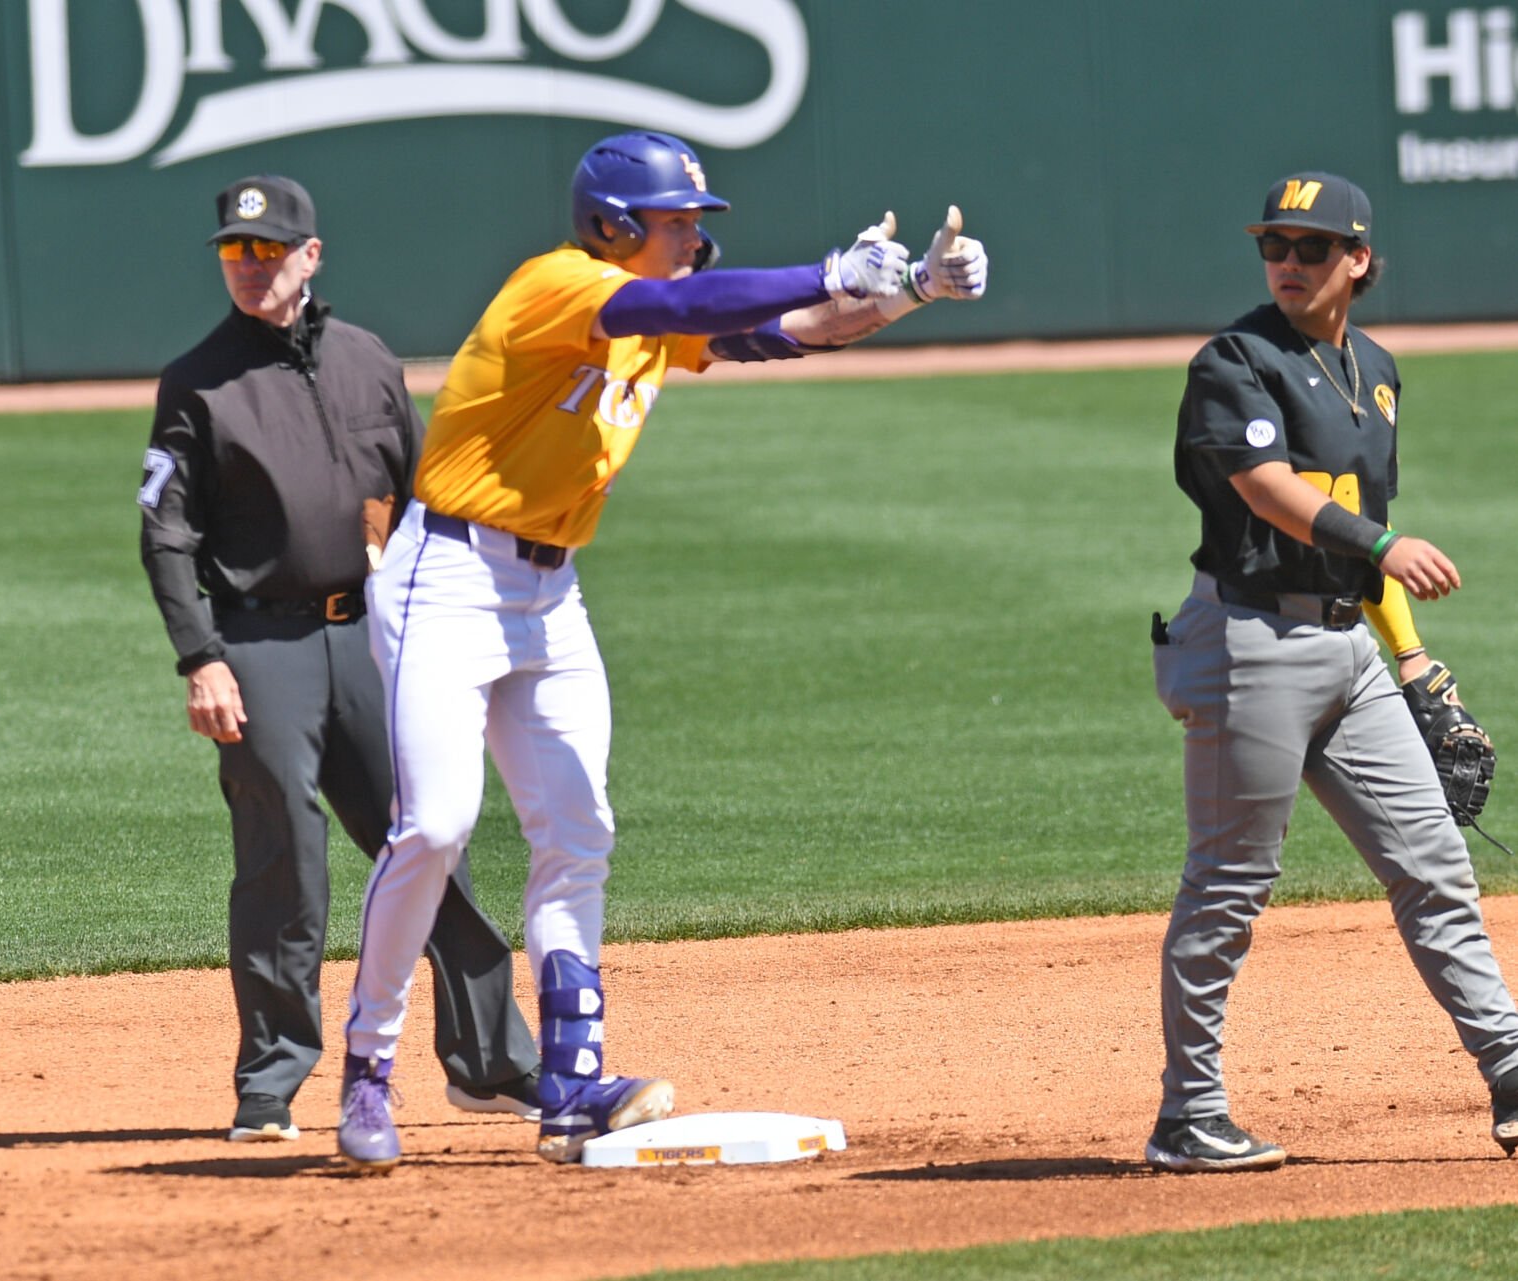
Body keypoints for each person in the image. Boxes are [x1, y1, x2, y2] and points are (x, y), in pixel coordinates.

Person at [334, 130, 990, 1171]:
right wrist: (833, 265)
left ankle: (571, 1086)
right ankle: (368, 1065)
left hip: (549, 591)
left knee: (577, 829)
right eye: (675, 221)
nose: (693, 236)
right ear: (610, 226)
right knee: (437, 823)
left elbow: (784, 332)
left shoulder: (655, 311)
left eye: (694, 221)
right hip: (446, 579)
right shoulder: (558, 286)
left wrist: (909, 290)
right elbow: (686, 307)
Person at [139, 173, 540, 1145]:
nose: (249, 265)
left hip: (375, 634)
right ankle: (270, 1083)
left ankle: (490, 1063)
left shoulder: (366, 360)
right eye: (235, 250)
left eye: (268, 249)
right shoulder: (197, 381)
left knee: (429, 835)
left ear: (309, 255)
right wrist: (200, 658)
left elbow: (425, 498)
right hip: (258, 639)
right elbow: (165, 533)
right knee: (281, 851)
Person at [1147, 170, 1518, 1172]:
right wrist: (1383, 542)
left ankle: (1510, 1066)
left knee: (1432, 862)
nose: (1286, 261)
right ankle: (1187, 1116)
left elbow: (1357, 537)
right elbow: (1264, 488)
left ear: (1356, 259)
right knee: (1229, 884)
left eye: (1310, 247)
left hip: (1350, 652)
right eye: (1273, 244)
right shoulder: (1235, 360)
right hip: (1248, 643)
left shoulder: (1375, 370)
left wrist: (1412, 657)